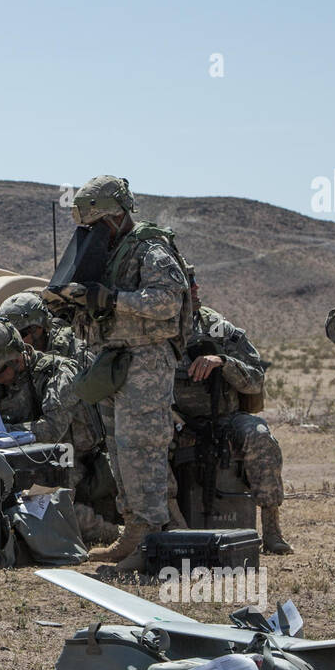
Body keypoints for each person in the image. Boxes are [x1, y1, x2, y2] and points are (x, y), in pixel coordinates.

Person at [56, 175, 191, 572]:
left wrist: (113, 299)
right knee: (119, 451)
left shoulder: (150, 249)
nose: (91, 231)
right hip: (114, 360)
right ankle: (132, 530)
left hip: (146, 360)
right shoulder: (109, 252)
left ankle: (151, 538)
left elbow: (167, 302)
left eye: (96, 222)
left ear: (114, 216)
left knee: (141, 449)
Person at [0, 320, 120, 543]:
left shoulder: (58, 372)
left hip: (68, 458)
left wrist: (4, 432)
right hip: (26, 461)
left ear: (16, 359)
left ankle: (113, 534)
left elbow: (52, 429)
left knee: (44, 510)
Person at [174, 271, 291, 553]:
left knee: (260, 435)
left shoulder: (218, 329)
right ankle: (169, 527)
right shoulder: (156, 331)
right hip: (174, 419)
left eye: (195, 281)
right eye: (188, 282)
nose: (196, 287)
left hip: (226, 417)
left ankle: (272, 529)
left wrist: (223, 362)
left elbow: (256, 380)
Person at [0, 291, 89, 365]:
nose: (16, 344)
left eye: (21, 335)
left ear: (39, 328)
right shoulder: (11, 363)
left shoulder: (77, 353)